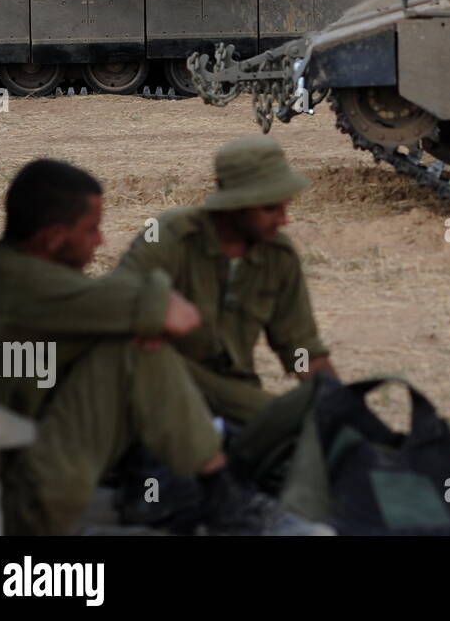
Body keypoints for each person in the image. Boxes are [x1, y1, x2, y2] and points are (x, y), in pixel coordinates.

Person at [0, 158, 327, 535]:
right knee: (131, 353)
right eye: (91, 230)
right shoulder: (34, 286)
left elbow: (302, 346)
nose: (101, 241)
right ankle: (224, 499)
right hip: (8, 509)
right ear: (52, 238)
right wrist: (138, 323)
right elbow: (178, 316)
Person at [117, 136, 337, 425]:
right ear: (236, 204)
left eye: (285, 207)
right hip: (162, 391)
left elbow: (298, 348)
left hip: (236, 398)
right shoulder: (172, 237)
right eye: (270, 209)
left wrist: (334, 404)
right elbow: (115, 309)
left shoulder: (278, 257)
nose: (284, 221)